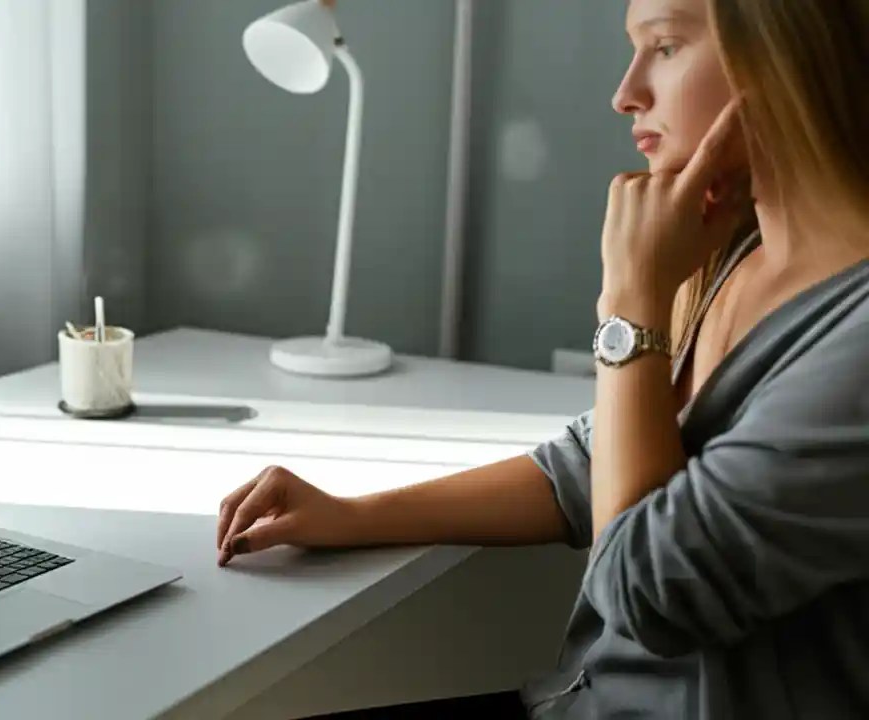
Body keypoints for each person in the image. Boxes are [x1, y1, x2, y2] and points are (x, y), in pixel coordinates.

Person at [215, 0, 869, 717]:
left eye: (667, 47)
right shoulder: (739, 252)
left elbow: (645, 593)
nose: (627, 94)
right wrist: (351, 514)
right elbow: (587, 468)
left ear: (785, 57)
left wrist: (630, 304)